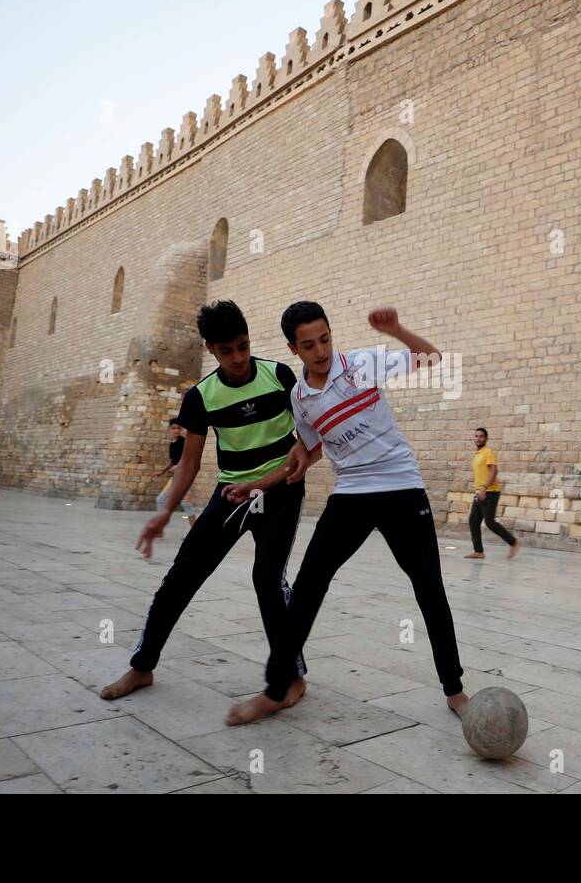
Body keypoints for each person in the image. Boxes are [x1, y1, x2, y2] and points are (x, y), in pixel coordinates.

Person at [227, 302, 468, 726]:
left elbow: (433, 359)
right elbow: (308, 451)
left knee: (429, 587)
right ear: (292, 348)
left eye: (324, 339)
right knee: (306, 587)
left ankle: (455, 689)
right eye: (308, 345)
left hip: (400, 487)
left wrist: (397, 330)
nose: (320, 351)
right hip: (351, 493)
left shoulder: (361, 364)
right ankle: (276, 690)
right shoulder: (300, 398)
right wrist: (257, 484)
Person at [100, 301, 308, 704]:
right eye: (227, 350)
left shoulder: (279, 376)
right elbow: (189, 463)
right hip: (231, 494)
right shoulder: (200, 397)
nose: (238, 357)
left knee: (268, 579)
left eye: (243, 346)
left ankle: (293, 677)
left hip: (279, 492)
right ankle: (142, 667)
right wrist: (164, 512)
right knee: (181, 577)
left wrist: (277, 477)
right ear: (211, 349)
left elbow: (306, 438)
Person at [464, 427, 519, 560]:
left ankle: (513, 542)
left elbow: (494, 471)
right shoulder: (478, 454)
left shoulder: (488, 452)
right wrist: (480, 489)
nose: (478, 438)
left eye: (481, 436)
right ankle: (479, 552)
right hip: (481, 492)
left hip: (490, 492)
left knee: (489, 522)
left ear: (486, 439)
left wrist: (484, 487)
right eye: (476, 436)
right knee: (473, 521)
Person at [155, 421, 195, 524]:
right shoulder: (172, 444)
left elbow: (188, 459)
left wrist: (177, 467)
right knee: (160, 500)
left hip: (184, 478)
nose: (176, 430)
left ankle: (193, 533)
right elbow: (172, 461)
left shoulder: (184, 442)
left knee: (186, 504)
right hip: (175, 477)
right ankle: (159, 528)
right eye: (174, 428)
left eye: (179, 428)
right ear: (169, 429)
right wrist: (162, 471)